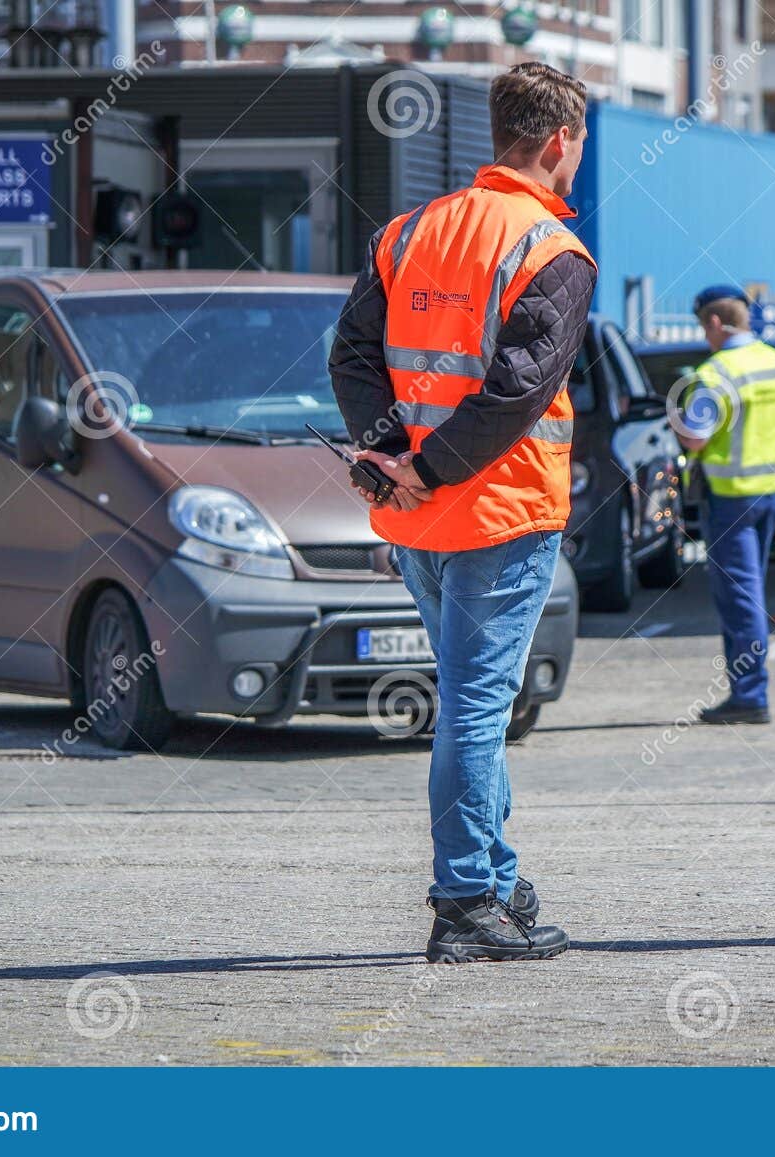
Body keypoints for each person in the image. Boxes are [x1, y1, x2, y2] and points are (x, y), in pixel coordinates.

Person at [328, 62, 596, 963]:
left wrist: (394, 459)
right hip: (501, 513)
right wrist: (431, 467)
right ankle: (468, 899)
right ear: (559, 141)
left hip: (419, 522)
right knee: (477, 712)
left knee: (471, 705)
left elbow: (352, 353)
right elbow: (518, 394)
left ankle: (498, 875)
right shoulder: (551, 251)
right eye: (580, 143)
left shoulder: (409, 232)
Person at [676, 286, 775, 725]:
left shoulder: (717, 373)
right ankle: (748, 692)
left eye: (702, 327)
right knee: (752, 591)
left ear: (714, 322)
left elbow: (695, 436)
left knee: (740, 599)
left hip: (731, 500)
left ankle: (750, 696)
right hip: (774, 491)